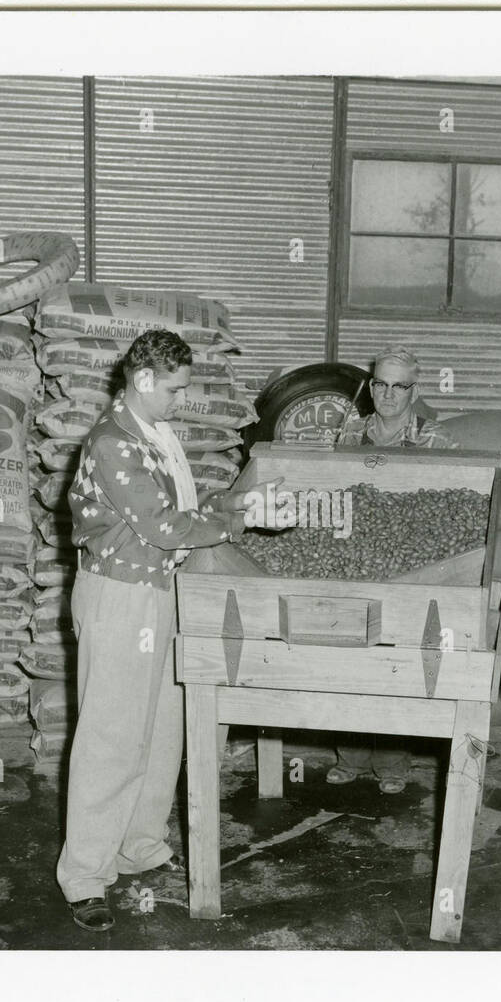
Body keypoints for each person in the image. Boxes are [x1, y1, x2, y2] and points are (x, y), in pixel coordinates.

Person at [58, 328, 277, 932]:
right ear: (144, 380)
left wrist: (238, 509)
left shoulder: (156, 433)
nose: (182, 400)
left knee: (160, 729)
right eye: (176, 389)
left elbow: (183, 510)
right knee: (112, 734)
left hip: (161, 592)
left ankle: (138, 844)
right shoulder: (113, 442)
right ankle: (85, 874)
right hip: (122, 596)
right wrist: (232, 525)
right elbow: (161, 526)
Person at [326, 345, 459, 794]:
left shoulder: (434, 441)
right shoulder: (349, 434)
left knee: (395, 664)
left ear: (414, 390)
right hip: (353, 564)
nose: (387, 395)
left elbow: (454, 507)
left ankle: (394, 763)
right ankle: (351, 755)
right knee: (351, 662)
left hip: (409, 568)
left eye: (398, 386)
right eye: (380, 384)